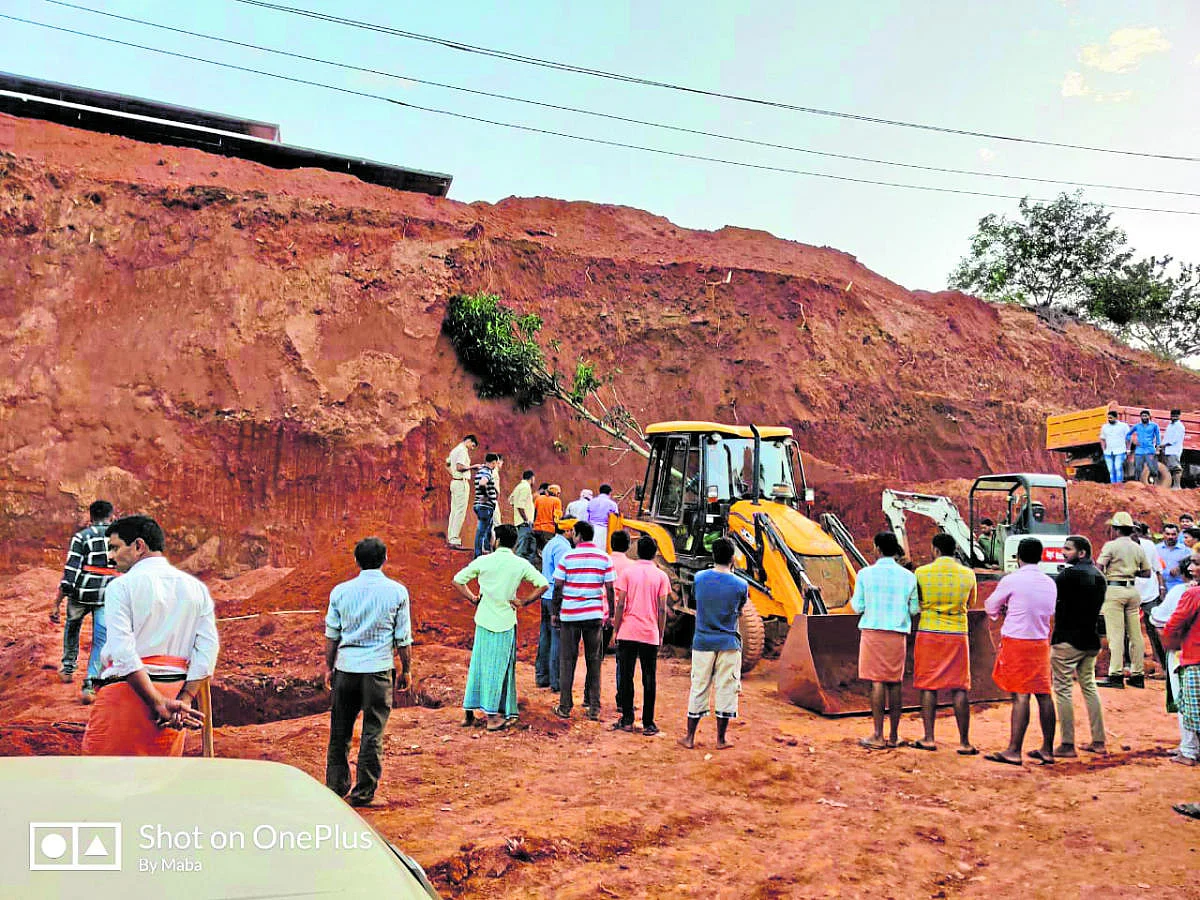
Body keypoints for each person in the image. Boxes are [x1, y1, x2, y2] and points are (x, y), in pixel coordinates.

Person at [81, 516, 218, 757]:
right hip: (174, 701)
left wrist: (156, 702)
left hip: (128, 695)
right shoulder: (196, 589)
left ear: (138, 546)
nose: (110, 557)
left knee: (103, 777)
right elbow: (207, 651)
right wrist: (184, 700)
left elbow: (122, 651)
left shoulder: (121, 587)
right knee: (159, 778)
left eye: (115, 548)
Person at [323, 537, 412, 806]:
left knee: (340, 730)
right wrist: (406, 669)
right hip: (378, 670)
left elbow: (332, 635)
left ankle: (335, 787)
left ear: (356, 561)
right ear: (385, 559)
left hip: (346, 668)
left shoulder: (340, 592)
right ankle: (363, 793)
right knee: (373, 732)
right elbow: (403, 638)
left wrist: (329, 667)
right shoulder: (397, 592)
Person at [453, 524, 549, 731]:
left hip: (483, 619)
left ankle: (469, 713)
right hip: (505, 621)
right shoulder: (519, 564)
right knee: (499, 668)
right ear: (514, 542)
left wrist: (472, 598)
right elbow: (543, 584)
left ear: (496, 540)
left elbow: (458, 580)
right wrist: (524, 601)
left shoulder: (484, 561)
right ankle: (493, 717)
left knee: (478, 665)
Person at [984, 538, 1058, 766]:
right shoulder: (1049, 582)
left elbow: (990, 606)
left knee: (1020, 694)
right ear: (1041, 556)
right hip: (1040, 641)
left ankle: (1014, 750)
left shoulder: (1012, 579)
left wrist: (1002, 612)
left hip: (1017, 641)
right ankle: (1047, 749)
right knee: (1043, 693)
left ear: (1018, 557)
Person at [850, 531, 919, 750]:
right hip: (897, 634)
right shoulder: (909, 577)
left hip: (872, 633)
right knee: (895, 682)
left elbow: (857, 607)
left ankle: (878, 735)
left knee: (877, 682)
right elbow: (914, 609)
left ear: (877, 548)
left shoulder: (864, 574)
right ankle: (894, 735)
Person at [911, 533, 977, 753]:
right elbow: (971, 602)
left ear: (936, 550)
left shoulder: (921, 573)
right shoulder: (968, 574)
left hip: (929, 632)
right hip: (957, 633)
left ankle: (929, 738)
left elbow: (917, 603)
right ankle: (965, 742)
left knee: (928, 685)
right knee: (960, 687)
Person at [679, 538, 747, 750]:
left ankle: (690, 737)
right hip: (729, 642)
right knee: (726, 689)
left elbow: (695, 600)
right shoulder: (741, 585)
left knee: (699, 687)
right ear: (732, 558)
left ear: (713, 556)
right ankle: (721, 739)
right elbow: (740, 609)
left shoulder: (700, 578)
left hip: (702, 641)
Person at [50, 500, 117, 704]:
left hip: (80, 594)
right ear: (112, 517)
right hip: (105, 595)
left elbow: (71, 571)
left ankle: (68, 668)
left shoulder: (82, 537)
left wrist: (57, 603)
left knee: (72, 626)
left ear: (91, 517)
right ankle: (90, 684)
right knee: (100, 639)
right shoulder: (119, 538)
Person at [1050, 535, 1108, 758]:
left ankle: (1067, 743)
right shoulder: (1099, 577)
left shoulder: (1067, 575)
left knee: (1063, 689)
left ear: (1081, 553)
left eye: (1068, 549)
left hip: (1067, 640)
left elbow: (1054, 603)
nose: (1063, 552)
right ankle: (1098, 741)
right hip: (1090, 640)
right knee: (1089, 686)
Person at [551, 521, 615, 721]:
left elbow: (558, 587)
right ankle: (594, 707)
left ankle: (565, 706)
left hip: (570, 615)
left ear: (578, 536)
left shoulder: (567, 557)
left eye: (573, 533)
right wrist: (611, 615)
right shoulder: (604, 558)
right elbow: (610, 589)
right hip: (594, 615)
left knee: (567, 661)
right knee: (594, 661)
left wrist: (555, 612)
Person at [611, 535, 672, 735]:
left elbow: (620, 603)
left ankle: (627, 719)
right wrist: (660, 633)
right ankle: (648, 722)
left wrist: (616, 628)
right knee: (649, 678)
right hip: (649, 633)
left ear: (637, 551)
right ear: (655, 553)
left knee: (626, 676)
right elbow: (662, 609)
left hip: (628, 631)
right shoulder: (661, 576)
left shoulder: (627, 573)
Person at [1151, 552, 1200, 765]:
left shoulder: (1190, 593)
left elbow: (1171, 623)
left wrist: (1169, 641)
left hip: (1190, 655)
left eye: (1196, 563)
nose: (1191, 567)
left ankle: (1189, 751)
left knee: (1187, 705)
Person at [1095, 511, 1152, 689]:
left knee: (1116, 635)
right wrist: (1131, 571)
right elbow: (1147, 573)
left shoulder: (1111, 546)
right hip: (1132, 590)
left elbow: (1099, 567)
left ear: (1116, 529)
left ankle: (1116, 674)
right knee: (1136, 635)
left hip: (1114, 590)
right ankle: (1137, 674)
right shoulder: (1137, 547)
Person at [535, 527, 572, 691]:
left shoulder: (551, 544)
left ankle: (542, 676)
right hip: (555, 597)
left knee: (545, 635)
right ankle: (556, 680)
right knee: (558, 637)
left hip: (546, 595)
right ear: (567, 530)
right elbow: (561, 577)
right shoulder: (563, 547)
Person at [445, 434, 479, 550]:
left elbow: (447, 464)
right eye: (472, 445)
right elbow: (459, 467)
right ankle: (454, 539)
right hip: (461, 483)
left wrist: (453, 474)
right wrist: (472, 467)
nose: (472, 448)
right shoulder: (462, 450)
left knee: (454, 511)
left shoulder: (454, 450)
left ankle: (451, 538)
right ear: (469, 441)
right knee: (460, 511)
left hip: (455, 481)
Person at [472, 453, 501, 558]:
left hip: (481, 505)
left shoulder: (481, 471)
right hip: (485, 506)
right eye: (496, 463)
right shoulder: (487, 472)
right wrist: (486, 496)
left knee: (486, 529)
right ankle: (478, 554)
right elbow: (482, 483)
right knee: (482, 531)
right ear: (493, 462)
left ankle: (486, 551)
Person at [509, 469, 537, 564]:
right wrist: (526, 519)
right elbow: (520, 506)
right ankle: (517, 567)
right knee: (522, 547)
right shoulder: (526, 487)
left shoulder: (519, 487)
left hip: (520, 521)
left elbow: (511, 500)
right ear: (532, 478)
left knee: (528, 545)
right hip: (524, 522)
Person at [1157, 523, 1191, 597]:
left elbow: (1190, 567)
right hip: (1160, 586)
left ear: (1178, 534)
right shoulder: (1156, 549)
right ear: (1163, 534)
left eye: (1173, 534)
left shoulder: (1186, 550)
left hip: (1179, 586)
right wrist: (1161, 586)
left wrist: (1180, 568)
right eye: (1168, 534)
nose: (1170, 537)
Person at [1129, 409, 1161, 484]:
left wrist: (1157, 449)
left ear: (1149, 416)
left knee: (1152, 468)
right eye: (1142, 416)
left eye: (1146, 416)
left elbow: (1158, 437)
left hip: (1150, 450)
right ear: (1140, 417)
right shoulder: (1137, 426)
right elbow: (1128, 434)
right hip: (1139, 450)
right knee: (1137, 468)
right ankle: (1137, 483)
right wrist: (1133, 441)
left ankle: (1153, 480)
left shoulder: (1154, 426)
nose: (1144, 417)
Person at [1099, 409, 1130, 485]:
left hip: (1120, 451)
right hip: (1108, 452)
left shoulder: (1123, 426)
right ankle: (1113, 485)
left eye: (1111, 418)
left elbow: (1128, 438)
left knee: (1118, 467)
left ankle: (1119, 484)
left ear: (1116, 418)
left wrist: (1128, 449)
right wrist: (1103, 449)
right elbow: (1102, 439)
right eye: (1108, 418)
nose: (1109, 419)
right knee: (1110, 470)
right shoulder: (1105, 427)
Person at [586, 484, 620, 551]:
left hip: (591, 529)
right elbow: (616, 518)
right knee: (601, 551)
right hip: (604, 530)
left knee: (590, 550)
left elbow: (587, 516)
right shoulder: (612, 504)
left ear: (599, 491)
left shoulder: (591, 502)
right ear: (609, 493)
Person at [533, 484, 563, 550]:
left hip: (537, 529)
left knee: (538, 551)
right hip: (549, 530)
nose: (559, 495)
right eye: (558, 493)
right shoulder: (557, 501)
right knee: (547, 550)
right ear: (555, 492)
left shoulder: (539, 499)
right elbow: (557, 518)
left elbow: (534, 513)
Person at [1163, 409, 1186, 490]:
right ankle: (1172, 485)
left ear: (1179, 416)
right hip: (1168, 450)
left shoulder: (1179, 426)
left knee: (1176, 468)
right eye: (1173, 416)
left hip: (1175, 450)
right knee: (1170, 468)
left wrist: (1163, 445)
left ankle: (1177, 486)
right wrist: (1162, 445)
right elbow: (1166, 437)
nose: (1174, 417)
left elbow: (1173, 440)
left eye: (1176, 416)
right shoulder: (1170, 425)